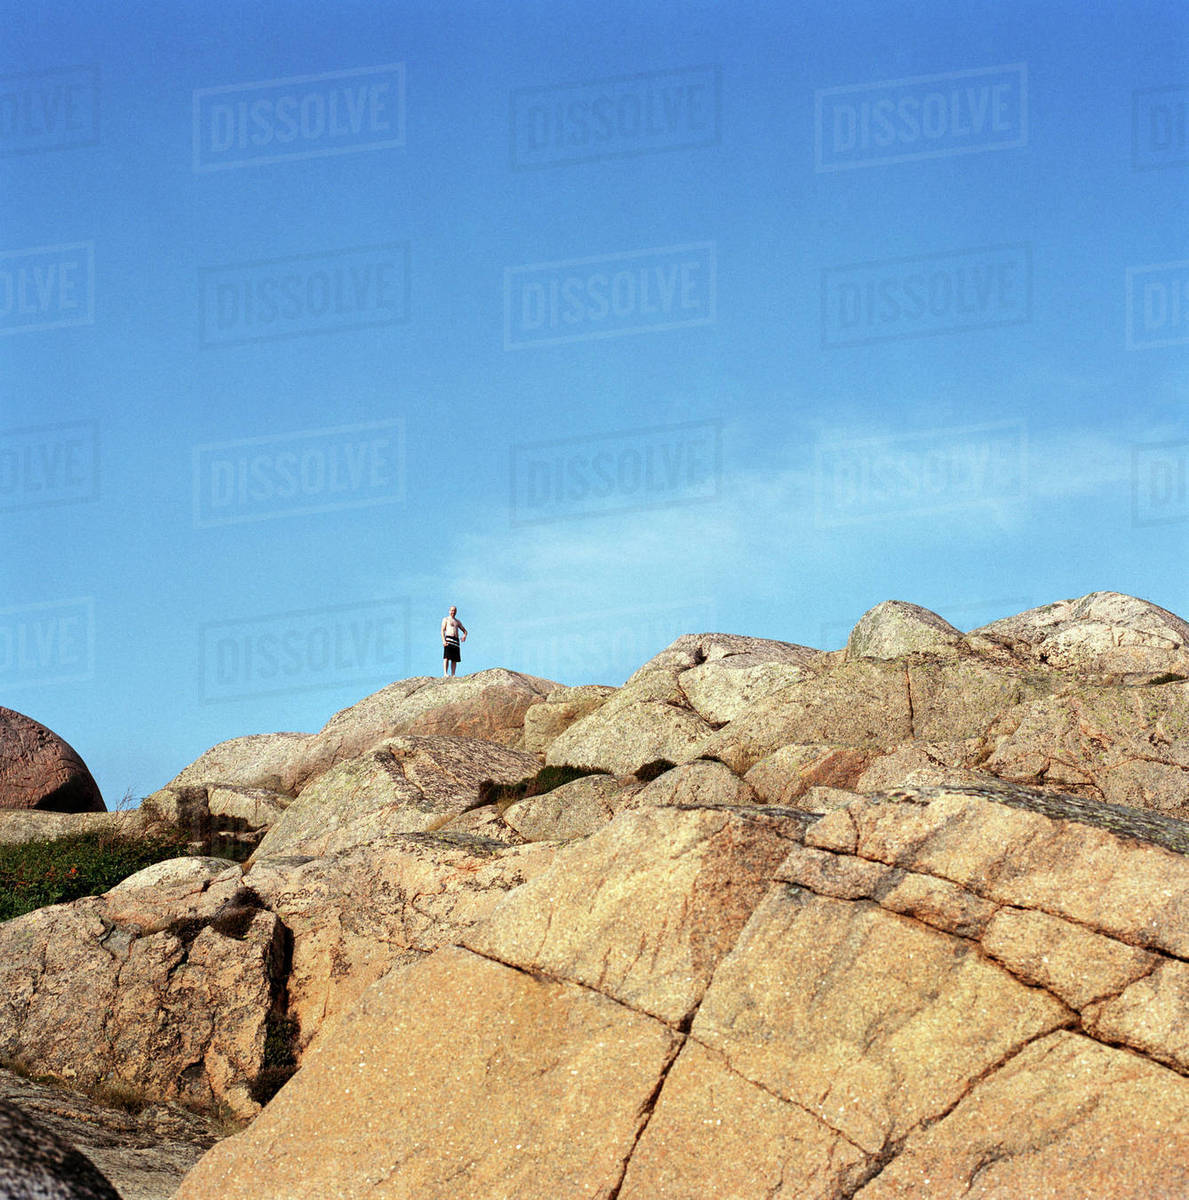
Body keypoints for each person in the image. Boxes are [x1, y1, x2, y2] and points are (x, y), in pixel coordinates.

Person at [441, 605, 467, 676]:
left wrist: (464, 636)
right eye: (452, 610)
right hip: (448, 639)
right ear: (449, 611)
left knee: (454, 659)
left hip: (456, 640)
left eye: (454, 610)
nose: (453, 612)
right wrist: (443, 640)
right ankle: (445, 673)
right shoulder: (446, 619)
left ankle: (453, 674)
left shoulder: (457, 621)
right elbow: (442, 630)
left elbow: (465, 631)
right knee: (446, 657)